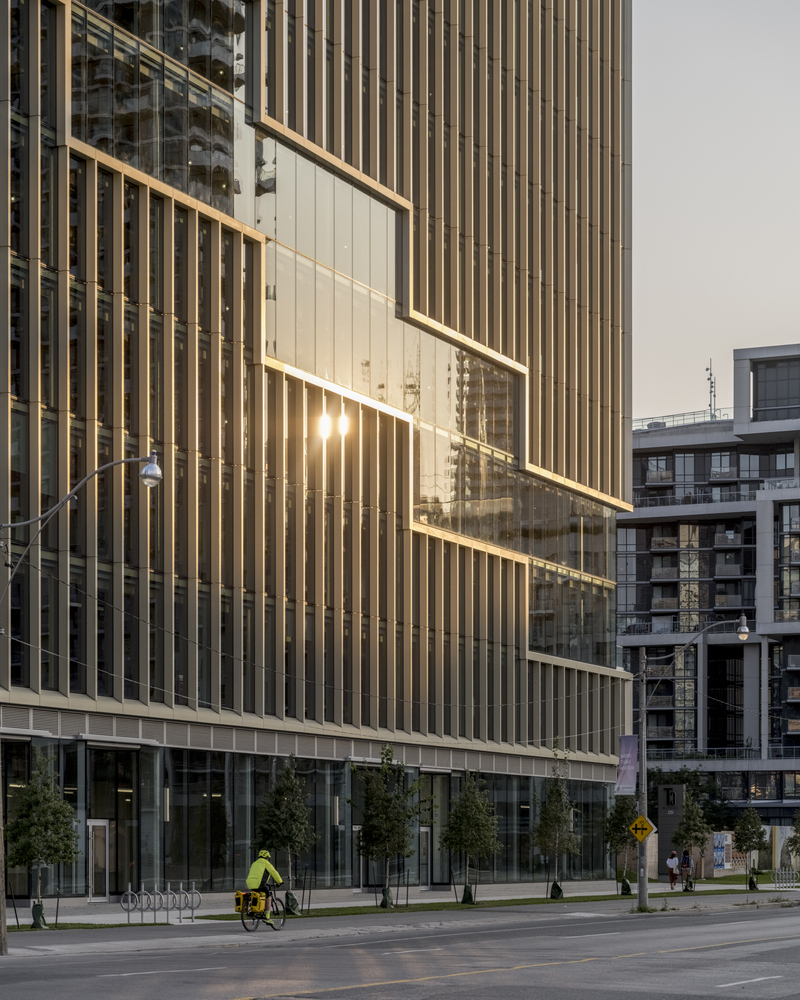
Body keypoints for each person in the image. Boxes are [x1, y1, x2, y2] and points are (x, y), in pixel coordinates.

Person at [245, 849, 283, 923]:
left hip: (250, 883)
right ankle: (267, 918)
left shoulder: (254, 863)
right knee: (268, 897)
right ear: (266, 857)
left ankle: (253, 912)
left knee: (257, 895)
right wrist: (280, 882)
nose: (268, 859)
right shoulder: (266, 863)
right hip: (259, 883)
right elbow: (274, 872)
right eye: (268, 857)